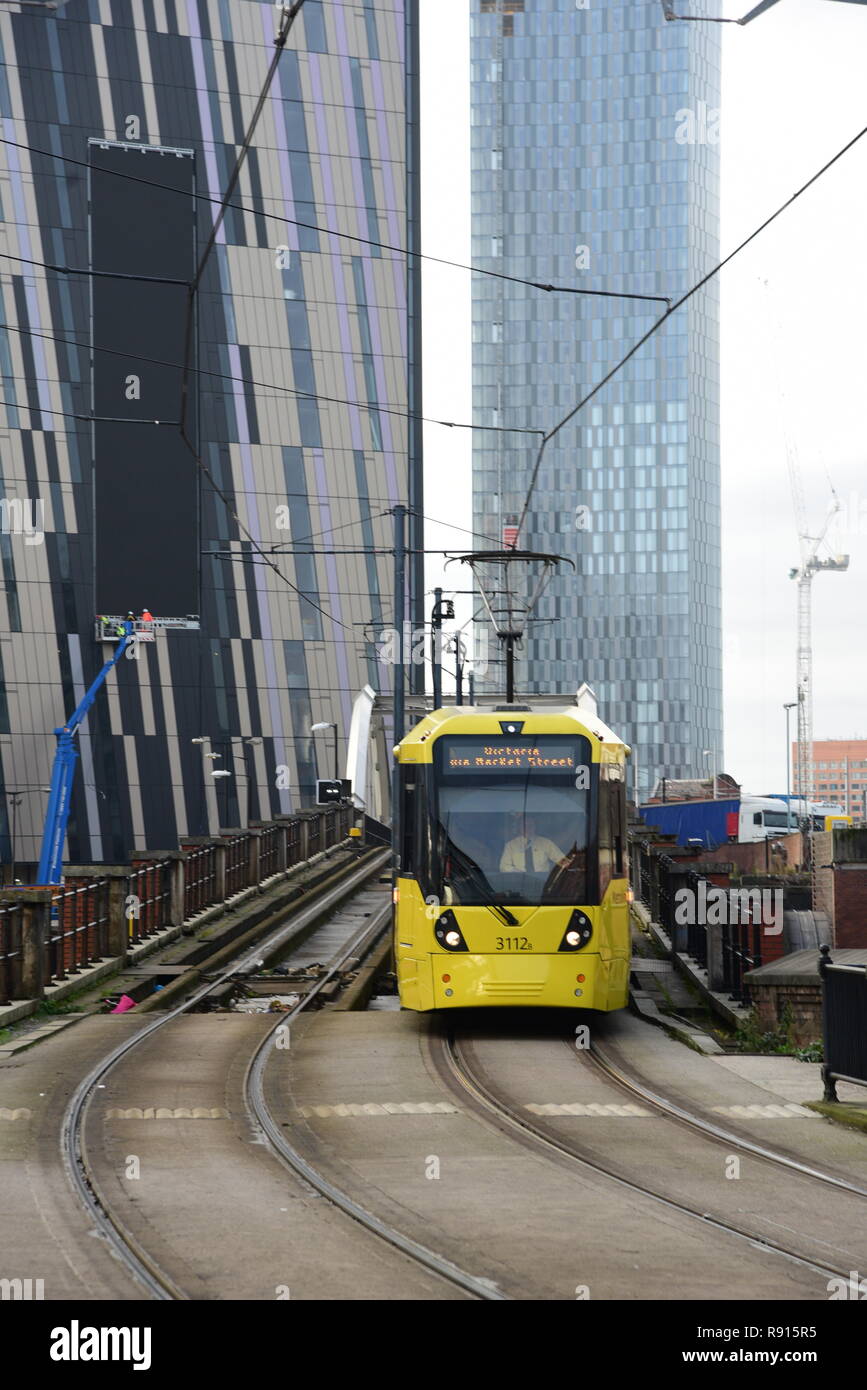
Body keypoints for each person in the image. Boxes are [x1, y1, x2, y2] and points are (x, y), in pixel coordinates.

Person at [499, 813, 570, 873]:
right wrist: (518, 873)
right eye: (524, 826)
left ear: (535, 826)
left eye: (530, 825)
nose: (528, 828)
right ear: (519, 828)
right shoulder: (511, 845)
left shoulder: (546, 843)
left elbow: (561, 860)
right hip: (519, 882)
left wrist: (571, 867)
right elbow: (504, 866)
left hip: (542, 882)